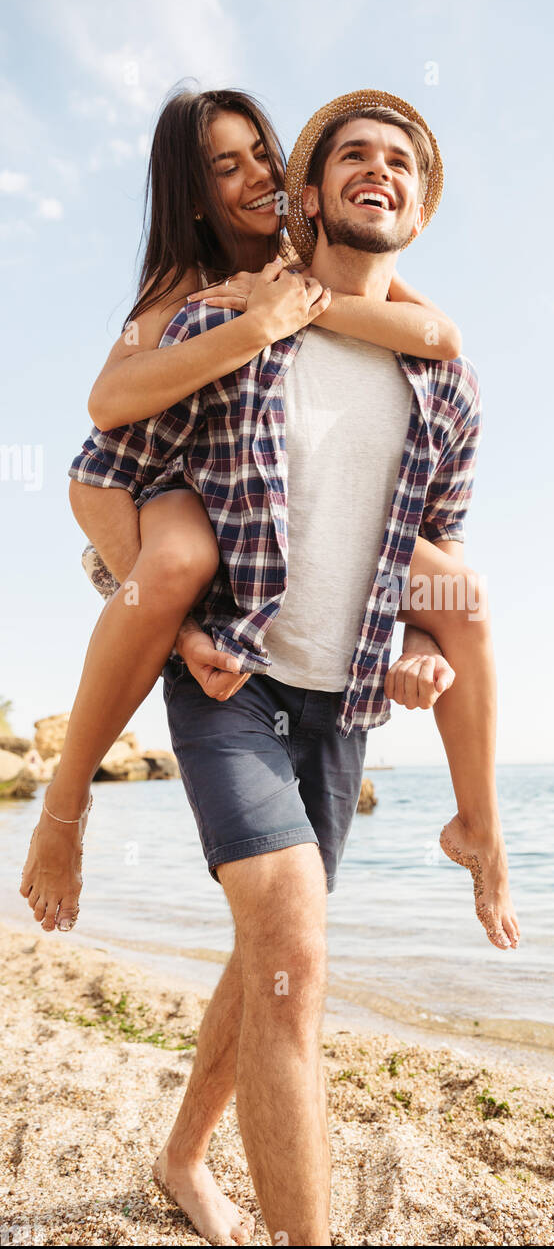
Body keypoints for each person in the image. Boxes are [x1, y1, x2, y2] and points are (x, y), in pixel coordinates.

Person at [19, 88, 518, 967]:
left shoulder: (305, 258)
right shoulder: (185, 294)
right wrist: (259, 323)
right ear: (192, 194)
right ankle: (67, 803)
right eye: (225, 165)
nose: (256, 176)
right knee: (176, 563)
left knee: (465, 600)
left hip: (332, 586)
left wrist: (309, 304)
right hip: (185, 488)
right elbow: (104, 420)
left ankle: (479, 824)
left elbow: (438, 335)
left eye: (261, 153)